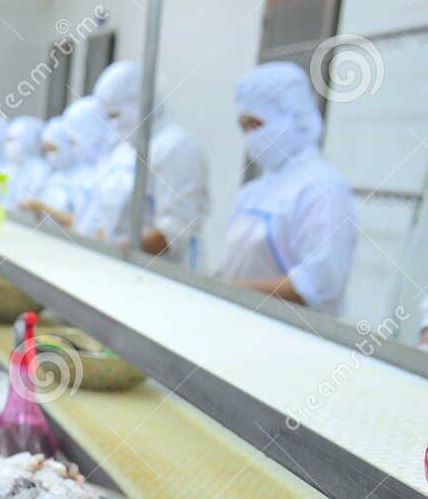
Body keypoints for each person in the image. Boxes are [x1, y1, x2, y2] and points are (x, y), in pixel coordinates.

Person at [217, 62, 356, 317]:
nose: (249, 137)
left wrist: (231, 292)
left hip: (294, 335)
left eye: (256, 124)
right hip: (245, 322)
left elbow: (317, 285)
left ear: (295, 117)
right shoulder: (256, 188)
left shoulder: (322, 187)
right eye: (243, 127)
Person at [81, 60, 209, 265]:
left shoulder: (175, 147)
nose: (113, 124)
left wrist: (115, 251)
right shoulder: (124, 150)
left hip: (162, 274)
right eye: (108, 117)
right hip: (118, 266)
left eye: (116, 115)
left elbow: (174, 231)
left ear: (139, 104)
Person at [20, 98, 114, 230]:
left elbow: (81, 223)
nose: (50, 155)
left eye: (53, 149)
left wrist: (41, 207)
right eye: (46, 150)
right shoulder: (55, 175)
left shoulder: (87, 175)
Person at [0, 116, 46, 206]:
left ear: (28, 142)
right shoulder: (10, 167)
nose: (9, 145)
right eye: (7, 140)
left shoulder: (39, 170)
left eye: (12, 140)